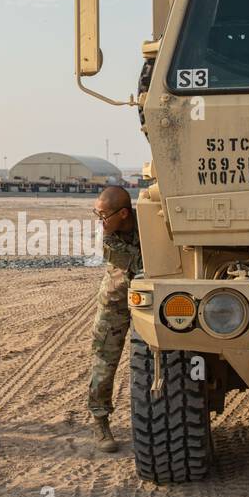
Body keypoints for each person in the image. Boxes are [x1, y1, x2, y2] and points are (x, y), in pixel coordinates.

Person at [88, 185, 143, 452]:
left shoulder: (150, 223)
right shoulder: (107, 235)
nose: (99, 222)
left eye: (102, 215)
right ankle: (100, 421)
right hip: (116, 302)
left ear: (123, 213)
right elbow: (140, 264)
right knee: (104, 359)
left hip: (152, 302)